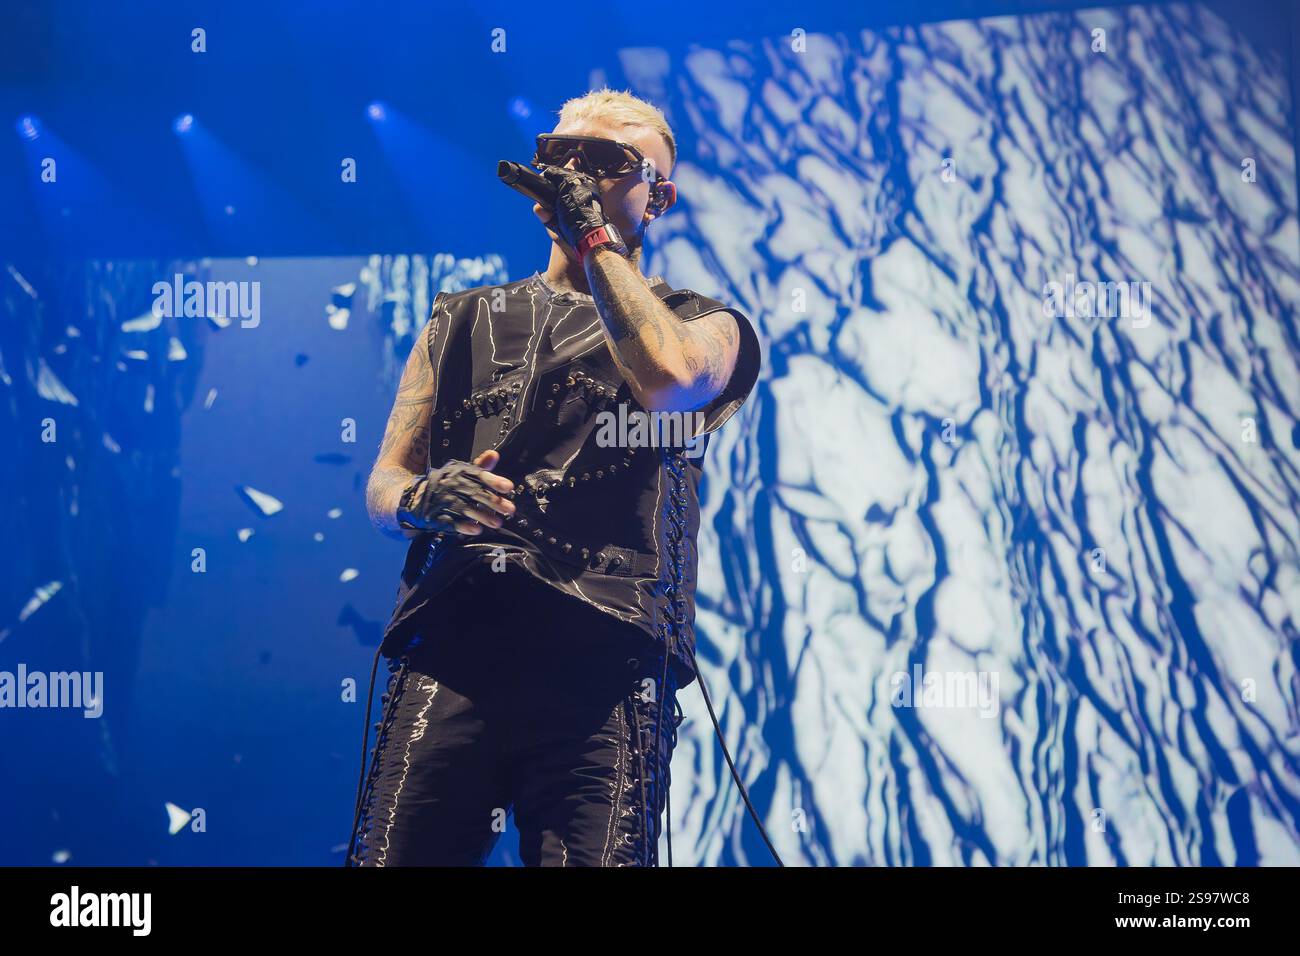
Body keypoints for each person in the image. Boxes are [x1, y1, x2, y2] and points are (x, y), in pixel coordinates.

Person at [348, 88, 761, 866]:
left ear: (658, 195)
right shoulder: (459, 317)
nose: (572, 171)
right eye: (558, 153)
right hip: (455, 641)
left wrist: (593, 233)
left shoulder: (708, 325)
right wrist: (418, 500)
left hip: (604, 662)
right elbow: (382, 485)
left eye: (602, 161)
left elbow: (667, 379)